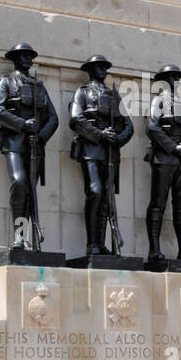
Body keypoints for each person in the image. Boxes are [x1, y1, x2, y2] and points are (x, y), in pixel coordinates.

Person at [0, 43, 59, 250]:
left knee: (29, 191)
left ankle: (25, 236)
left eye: (30, 55)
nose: (28, 59)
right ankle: (18, 236)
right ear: (15, 58)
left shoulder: (39, 86)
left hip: (35, 146)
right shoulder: (7, 82)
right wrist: (22, 124)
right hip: (14, 142)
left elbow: (53, 118)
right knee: (19, 182)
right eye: (23, 55)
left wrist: (41, 135)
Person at [69, 54, 134, 255]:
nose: (102, 70)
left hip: (110, 152)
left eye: (104, 67)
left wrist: (117, 138)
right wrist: (100, 135)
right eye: (98, 67)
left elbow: (128, 126)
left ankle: (101, 243)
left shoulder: (114, 95)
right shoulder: (82, 92)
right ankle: (91, 243)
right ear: (90, 69)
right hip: (91, 149)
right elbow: (76, 119)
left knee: (106, 197)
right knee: (95, 192)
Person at [144, 64, 181, 262]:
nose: (174, 81)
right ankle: (154, 250)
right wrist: (173, 147)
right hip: (164, 157)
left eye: (176, 77)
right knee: (158, 203)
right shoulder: (157, 102)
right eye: (170, 77)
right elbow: (152, 127)